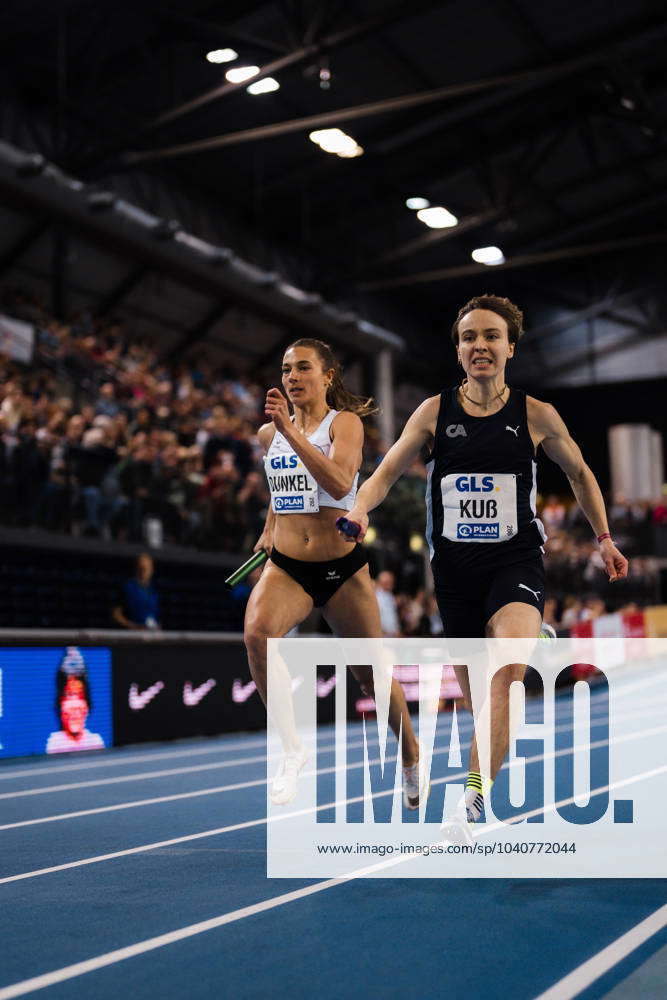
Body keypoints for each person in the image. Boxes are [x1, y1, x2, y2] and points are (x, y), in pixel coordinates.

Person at [340, 294, 628, 840]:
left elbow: (582, 475)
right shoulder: (433, 412)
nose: (480, 346)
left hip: (515, 559)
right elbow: (386, 471)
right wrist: (358, 506)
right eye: (470, 337)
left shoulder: (536, 414)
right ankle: (512, 681)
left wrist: (604, 538)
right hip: (454, 573)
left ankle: (470, 800)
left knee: (507, 674)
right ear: (458, 349)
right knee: (484, 706)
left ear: (510, 348)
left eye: (491, 336)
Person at [244, 338, 425, 806]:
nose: (292, 377)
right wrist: (269, 528)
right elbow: (281, 488)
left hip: (341, 568)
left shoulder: (344, 424)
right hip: (288, 566)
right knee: (257, 635)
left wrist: (289, 429)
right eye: (286, 369)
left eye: (303, 368)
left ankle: (409, 755)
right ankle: (291, 750)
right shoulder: (270, 436)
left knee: (372, 676)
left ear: (327, 376)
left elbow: (341, 482)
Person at [46, 647, 105, 754]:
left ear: (86, 708)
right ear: (60, 706)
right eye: (69, 695)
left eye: (79, 695)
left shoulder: (96, 741)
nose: (74, 709)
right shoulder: (54, 743)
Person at [112, 552, 160, 630]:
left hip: (151, 634)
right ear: (136, 568)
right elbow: (115, 614)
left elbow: (155, 616)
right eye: (141, 567)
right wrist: (132, 626)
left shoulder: (154, 591)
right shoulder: (127, 587)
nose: (144, 570)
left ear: (152, 570)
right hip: (132, 635)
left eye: (147, 568)